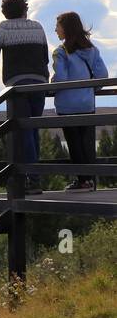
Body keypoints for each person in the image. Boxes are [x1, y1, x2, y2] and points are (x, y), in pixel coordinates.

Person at [0, 0, 50, 194]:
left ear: (5, 12)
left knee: (24, 130)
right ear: (25, 9)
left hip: (17, 85)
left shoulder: (3, 28)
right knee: (34, 129)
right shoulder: (37, 27)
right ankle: (35, 178)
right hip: (39, 83)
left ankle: (33, 179)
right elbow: (44, 57)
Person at [51, 11, 107, 191]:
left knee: (75, 145)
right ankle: (90, 181)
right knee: (87, 145)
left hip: (67, 105)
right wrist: (89, 90)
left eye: (58, 26)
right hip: (87, 104)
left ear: (66, 29)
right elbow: (102, 76)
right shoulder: (92, 50)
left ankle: (83, 181)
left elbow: (61, 79)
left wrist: (50, 87)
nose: (55, 30)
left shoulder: (60, 52)